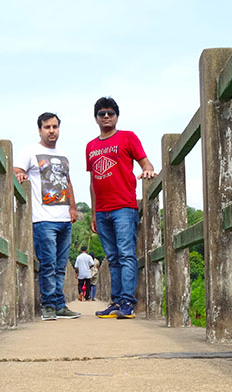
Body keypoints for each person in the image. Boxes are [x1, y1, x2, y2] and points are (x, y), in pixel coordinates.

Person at [86, 97, 156, 319]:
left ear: (117, 116)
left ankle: (127, 302)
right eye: (102, 113)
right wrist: (93, 213)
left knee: (126, 254)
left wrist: (148, 171)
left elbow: (145, 162)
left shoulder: (127, 137)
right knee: (112, 257)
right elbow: (93, 182)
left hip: (124, 207)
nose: (106, 116)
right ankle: (116, 302)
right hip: (102, 211)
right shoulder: (91, 146)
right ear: (96, 118)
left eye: (110, 113)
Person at [14, 112, 81, 321]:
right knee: (48, 264)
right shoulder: (30, 151)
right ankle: (49, 306)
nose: (52, 131)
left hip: (64, 219)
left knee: (60, 266)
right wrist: (20, 174)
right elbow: (15, 170)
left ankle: (60, 305)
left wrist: (73, 207)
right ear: (40, 130)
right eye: (47, 127)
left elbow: (67, 182)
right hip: (43, 219)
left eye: (55, 126)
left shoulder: (63, 153)